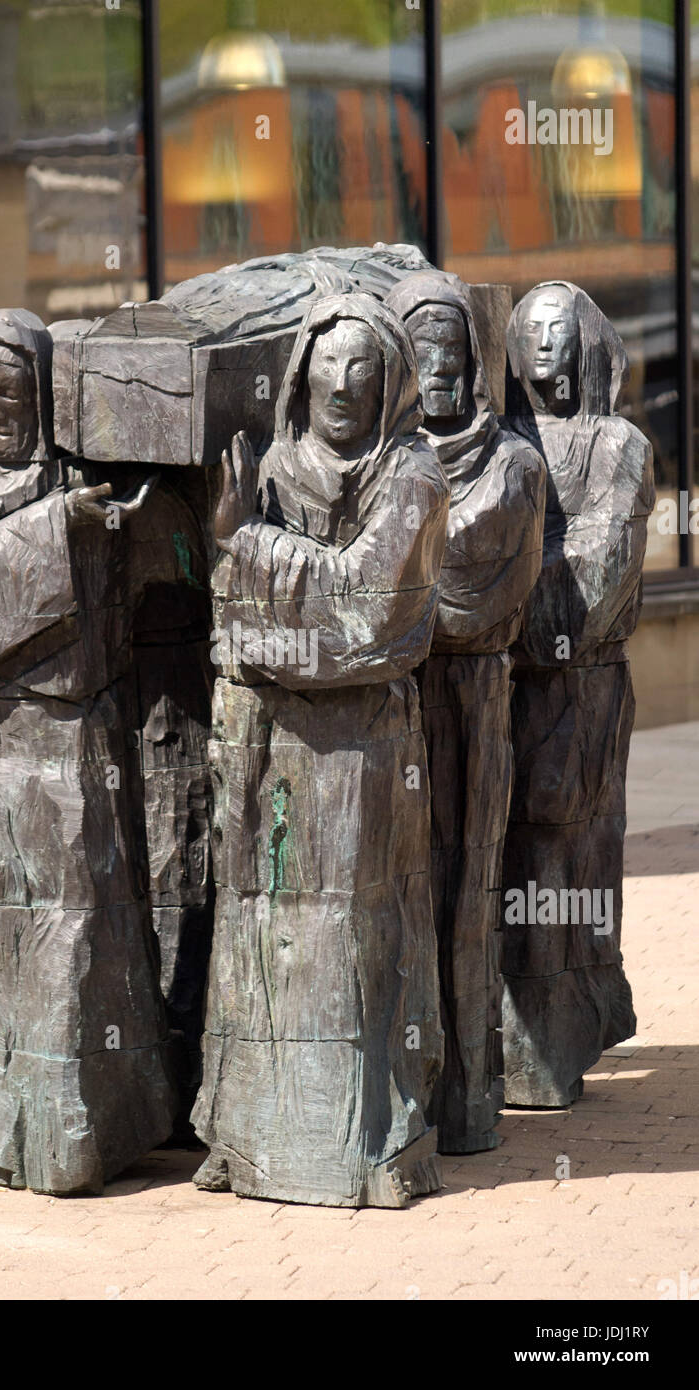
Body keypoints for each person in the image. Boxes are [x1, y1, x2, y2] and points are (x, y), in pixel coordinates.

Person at [0, 308, 183, 1193]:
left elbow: (160, 571)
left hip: (64, 742)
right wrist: (57, 526)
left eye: (22, 394)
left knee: (71, 940)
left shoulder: (87, 485)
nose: (5, 411)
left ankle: (74, 1135)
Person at [191, 293, 449, 1207]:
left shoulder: (412, 477)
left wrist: (246, 546)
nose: (342, 386)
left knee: (353, 939)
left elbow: (371, 614)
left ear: (388, 384)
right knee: (267, 943)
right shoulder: (269, 466)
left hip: (364, 756)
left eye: (363, 369)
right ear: (301, 377)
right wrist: (252, 595)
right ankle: (257, 1138)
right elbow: (230, 620)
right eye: (327, 367)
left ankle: (359, 1146)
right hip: (275, 757)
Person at [387, 271, 546, 1152]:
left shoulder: (515, 466)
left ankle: (469, 1101)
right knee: (405, 892)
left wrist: (391, 605)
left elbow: (473, 591)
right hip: (399, 708)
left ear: (475, 362)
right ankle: (411, 1090)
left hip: (475, 702)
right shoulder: (388, 466)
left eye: (452, 354)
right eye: (421, 356)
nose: (438, 371)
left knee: (468, 895)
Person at [501, 282, 655, 1107]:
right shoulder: (502, 439)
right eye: (530, 331)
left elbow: (597, 570)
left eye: (559, 331)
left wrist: (499, 598)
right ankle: (506, 1034)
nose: (543, 345)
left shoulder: (619, 446)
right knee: (506, 851)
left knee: (566, 851)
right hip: (503, 690)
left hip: (579, 688)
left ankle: (560, 1032)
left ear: (588, 342)